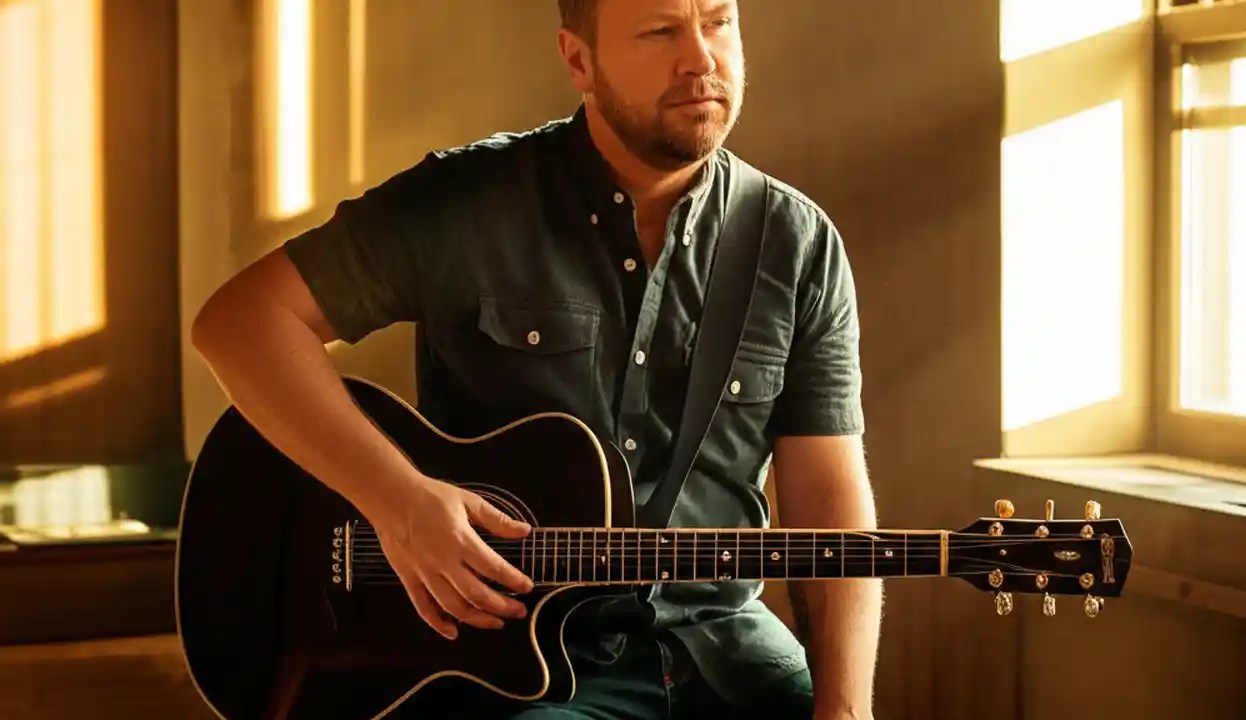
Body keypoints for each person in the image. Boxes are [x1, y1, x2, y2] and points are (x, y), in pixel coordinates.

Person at [190, 0, 881, 718]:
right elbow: (240, 324)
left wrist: (846, 708)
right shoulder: (466, 202)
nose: (702, 59)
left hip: (725, 652)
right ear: (579, 60)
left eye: (718, 22)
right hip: (515, 667)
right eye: (660, 31)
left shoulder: (796, 244)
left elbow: (829, 501)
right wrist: (396, 501)